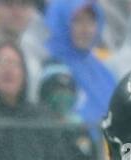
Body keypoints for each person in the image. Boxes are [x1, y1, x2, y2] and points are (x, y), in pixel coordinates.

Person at [43, 0, 116, 128]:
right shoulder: (51, 69)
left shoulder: (102, 69)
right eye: (77, 20)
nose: (85, 29)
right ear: (61, 21)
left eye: (91, 21)